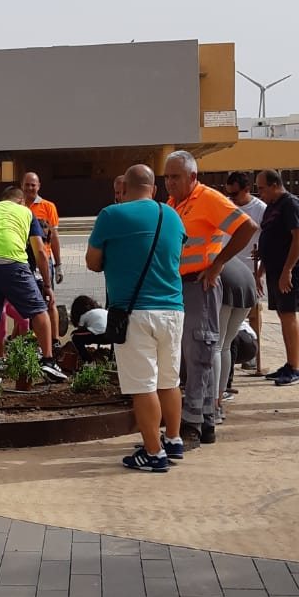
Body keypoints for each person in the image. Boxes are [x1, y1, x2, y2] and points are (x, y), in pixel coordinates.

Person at [87, 163, 187, 473]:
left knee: (143, 385)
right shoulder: (170, 214)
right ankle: (173, 438)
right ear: (154, 189)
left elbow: (93, 262)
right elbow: (176, 252)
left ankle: (154, 454)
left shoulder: (111, 215)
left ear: (124, 189)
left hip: (135, 312)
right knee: (169, 381)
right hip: (173, 308)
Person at [163, 152, 257, 447]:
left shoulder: (208, 198)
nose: (169, 182)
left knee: (200, 353)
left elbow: (246, 227)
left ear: (192, 176)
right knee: (191, 356)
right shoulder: (174, 203)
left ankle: (193, 423)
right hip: (181, 285)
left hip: (199, 285)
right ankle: (203, 421)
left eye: (175, 177)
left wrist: (217, 264)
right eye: (166, 177)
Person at [0, 185, 69, 385]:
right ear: (21, 201)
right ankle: (47, 359)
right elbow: (40, 251)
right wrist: (47, 285)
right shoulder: (26, 213)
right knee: (39, 310)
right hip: (13, 263)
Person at [254, 169, 299, 387]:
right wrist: (261, 271)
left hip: (289, 269)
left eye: (262, 188)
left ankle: (296, 368)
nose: (260, 193)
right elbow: (271, 238)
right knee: (282, 315)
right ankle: (289, 363)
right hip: (275, 268)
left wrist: (288, 271)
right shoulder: (271, 207)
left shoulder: (290, 204)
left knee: (289, 315)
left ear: (275, 184)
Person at [225, 169, 267, 369]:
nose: (231, 198)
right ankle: (231, 350)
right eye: (229, 193)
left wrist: (260, 272)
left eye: (235, 194)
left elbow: (266, 241)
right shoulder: (226, 205)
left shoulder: (260, 209)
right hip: (228, 267)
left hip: (250, 269)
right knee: (227, 312)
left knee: (253, 311)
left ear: (247, 190)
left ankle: (251, 351)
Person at [21, 171, 63, 347]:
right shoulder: (19, 207)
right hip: (23, 260)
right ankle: (32, 339)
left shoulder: (48, 207)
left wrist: (58, 264)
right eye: (27, 184)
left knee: (49, 300)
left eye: (34, 184)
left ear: (39, 186)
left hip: (43, 260)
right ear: (22, 186)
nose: (30, 188)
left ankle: (54, 340)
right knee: (27, 302)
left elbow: (54, 236)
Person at [215, 256, 257, 419]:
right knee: (224, 345)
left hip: (228, 285)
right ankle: (219, 397)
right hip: (247, 285)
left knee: (217, 346)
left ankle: (214, 403)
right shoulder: (218, 248)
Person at [69, 295, 112, 363]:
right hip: (111, 336)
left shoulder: (84, 315)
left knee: (74, 336)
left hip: (100, 336)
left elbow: (80, 330)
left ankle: (88, 360)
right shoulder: (102, 311)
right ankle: (111, 357)